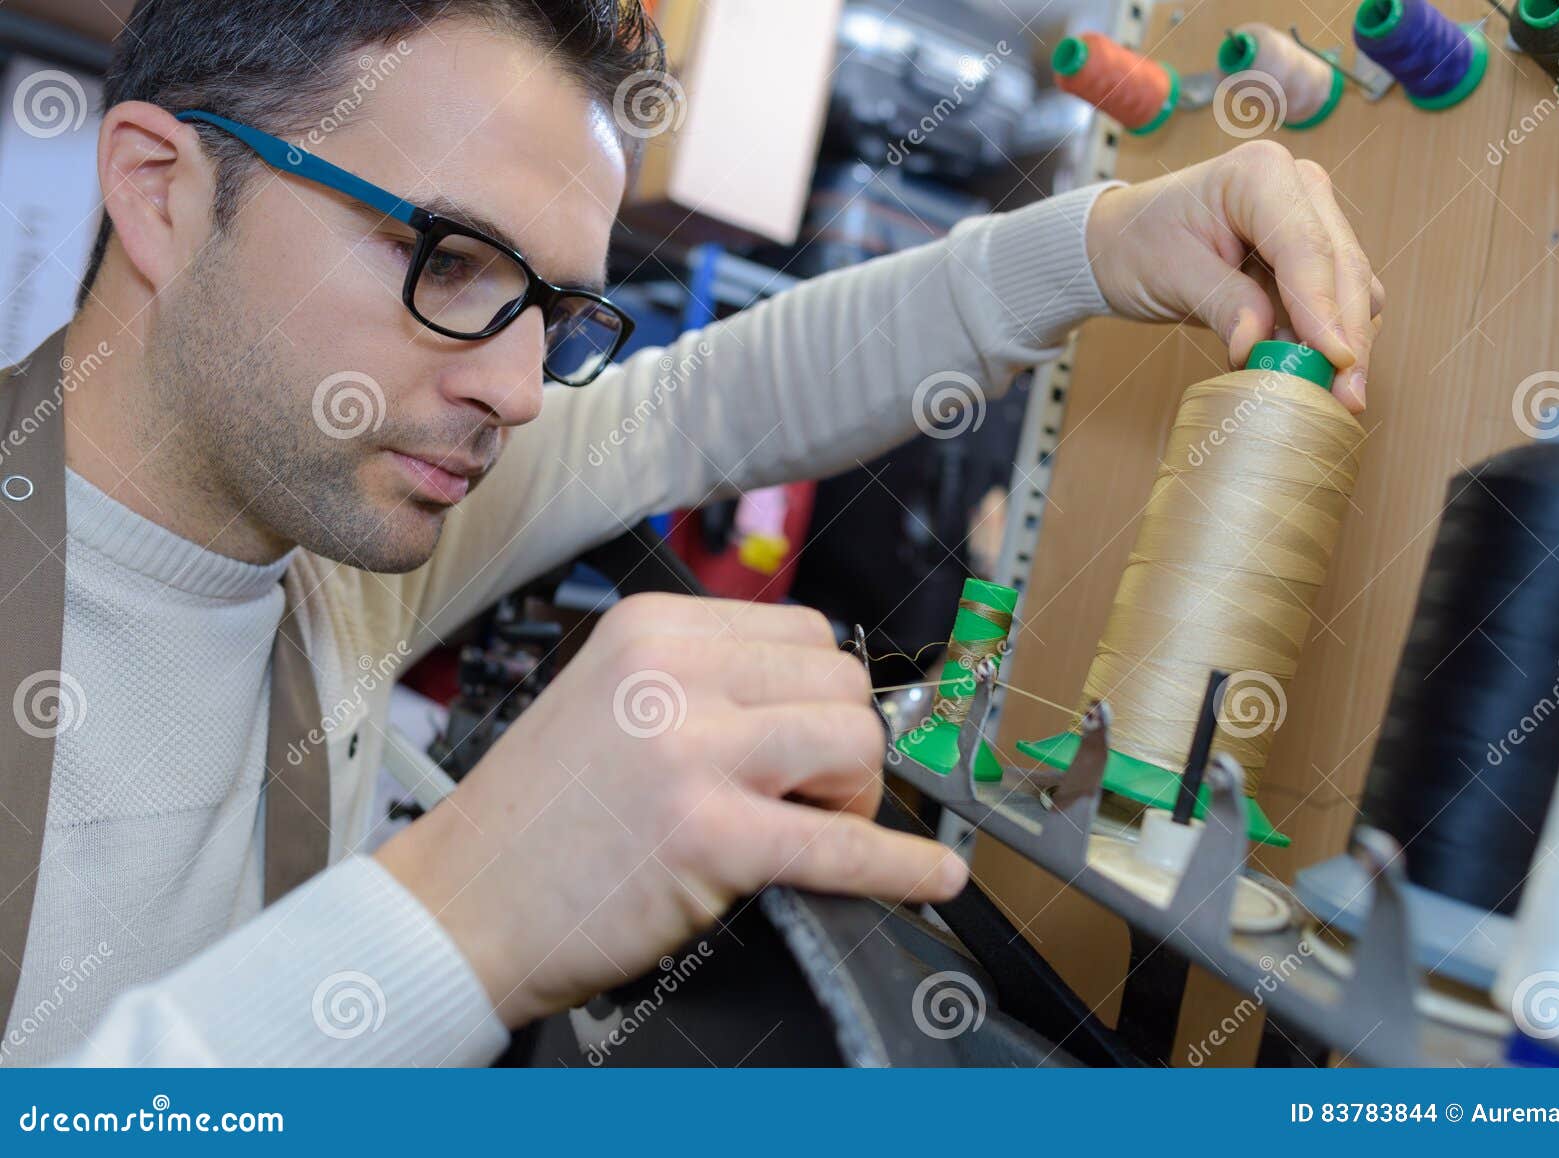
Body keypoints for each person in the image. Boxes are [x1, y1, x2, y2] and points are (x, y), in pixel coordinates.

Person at [0, 0, 1381, 1066]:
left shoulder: (324, 522)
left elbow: (711, 404)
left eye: (554, 308)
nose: (519, 386)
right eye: (454, 261)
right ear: (161, 190)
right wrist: (461, 914)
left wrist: (1102, 246)